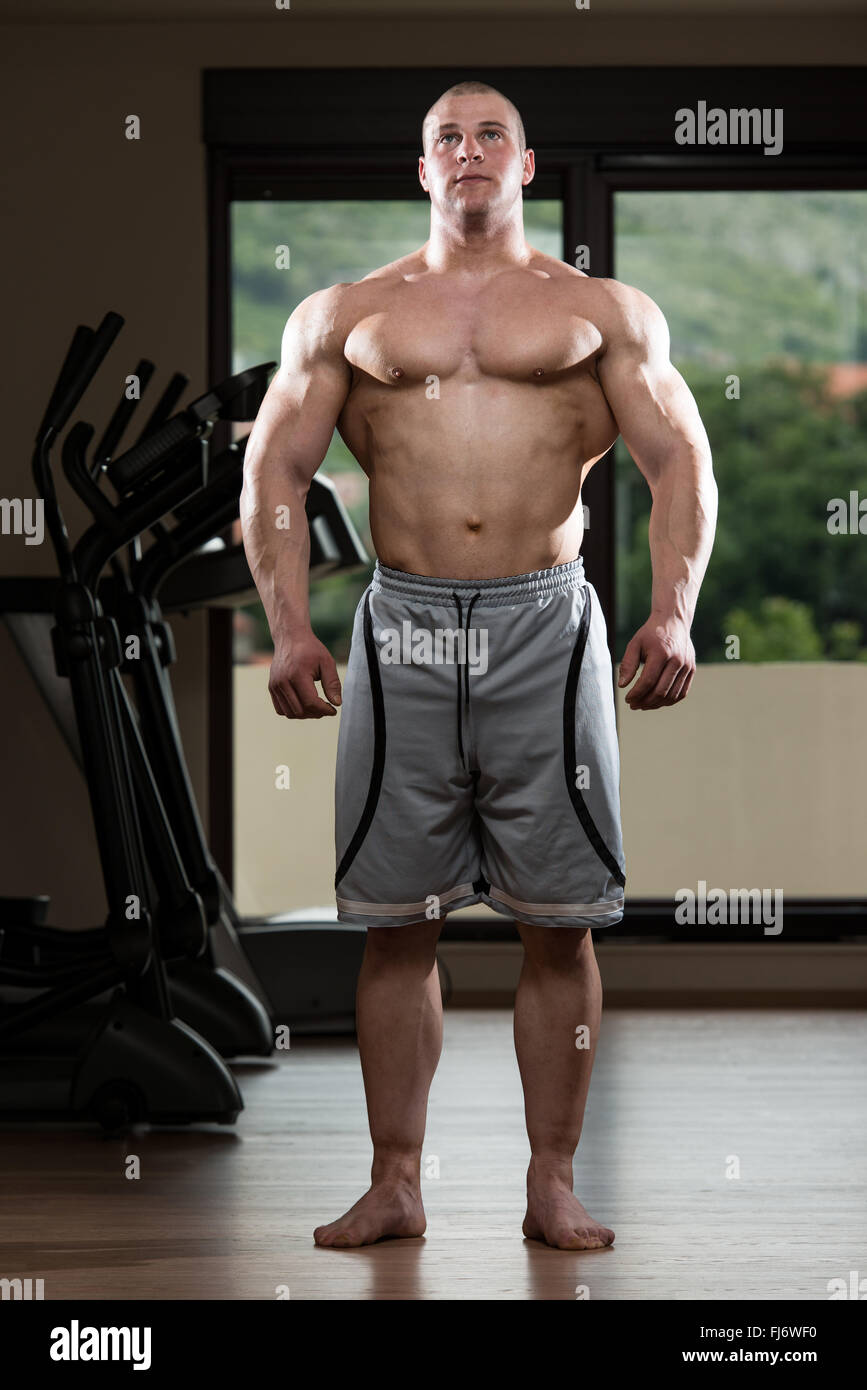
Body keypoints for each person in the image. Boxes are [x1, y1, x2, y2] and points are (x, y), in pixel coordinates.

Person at [240, 80, 717, 1251]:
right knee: (397, 924)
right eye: (445, 137)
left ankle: (551, 1184)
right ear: (422, 170)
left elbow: (680, 462)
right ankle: (396, 1181)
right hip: (401, 625)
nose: (467, 151)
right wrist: (289, 623)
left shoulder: (603, 311)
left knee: (561, 925)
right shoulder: (343, 315)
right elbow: (273, 477)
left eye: (488, 134)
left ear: (525, 163)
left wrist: (674, 611)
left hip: (545, 626)